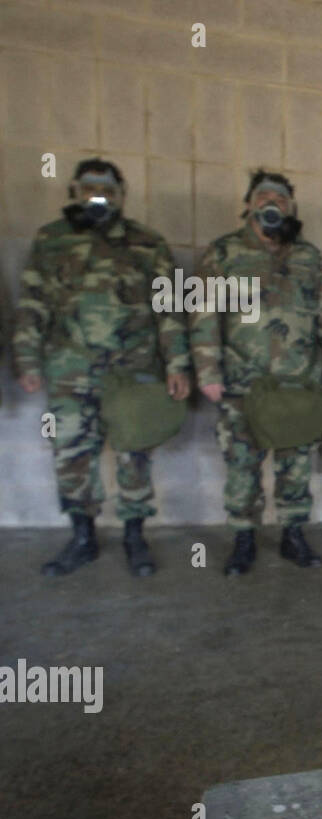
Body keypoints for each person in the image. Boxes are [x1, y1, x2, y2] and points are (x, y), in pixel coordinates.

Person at [14, 158, 190, 578]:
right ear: (73, 191)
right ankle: (82, 538)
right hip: (69, 368)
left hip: (133, 368)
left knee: (135, 452)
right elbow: (32, 303)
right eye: (89, 186)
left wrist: (177, 364)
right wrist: (27, 358)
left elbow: (169, 310)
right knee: (70, 453)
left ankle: (134, 536)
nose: (99, 194)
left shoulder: (148, 243)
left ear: (122, 195)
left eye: (109, 189)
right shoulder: (50, 240)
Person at [192, 170, 322, 575]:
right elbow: (203, 314)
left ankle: (293, 535)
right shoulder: (222, 253)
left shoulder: (308, 256)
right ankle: (244, 539)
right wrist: (208, 370)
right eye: (263, 195)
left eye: (281, 198)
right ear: (248, 204)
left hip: (299, 381)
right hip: (243, 382)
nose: (272, 203)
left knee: (295, 463)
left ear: (291, 207)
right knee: (242, 465)